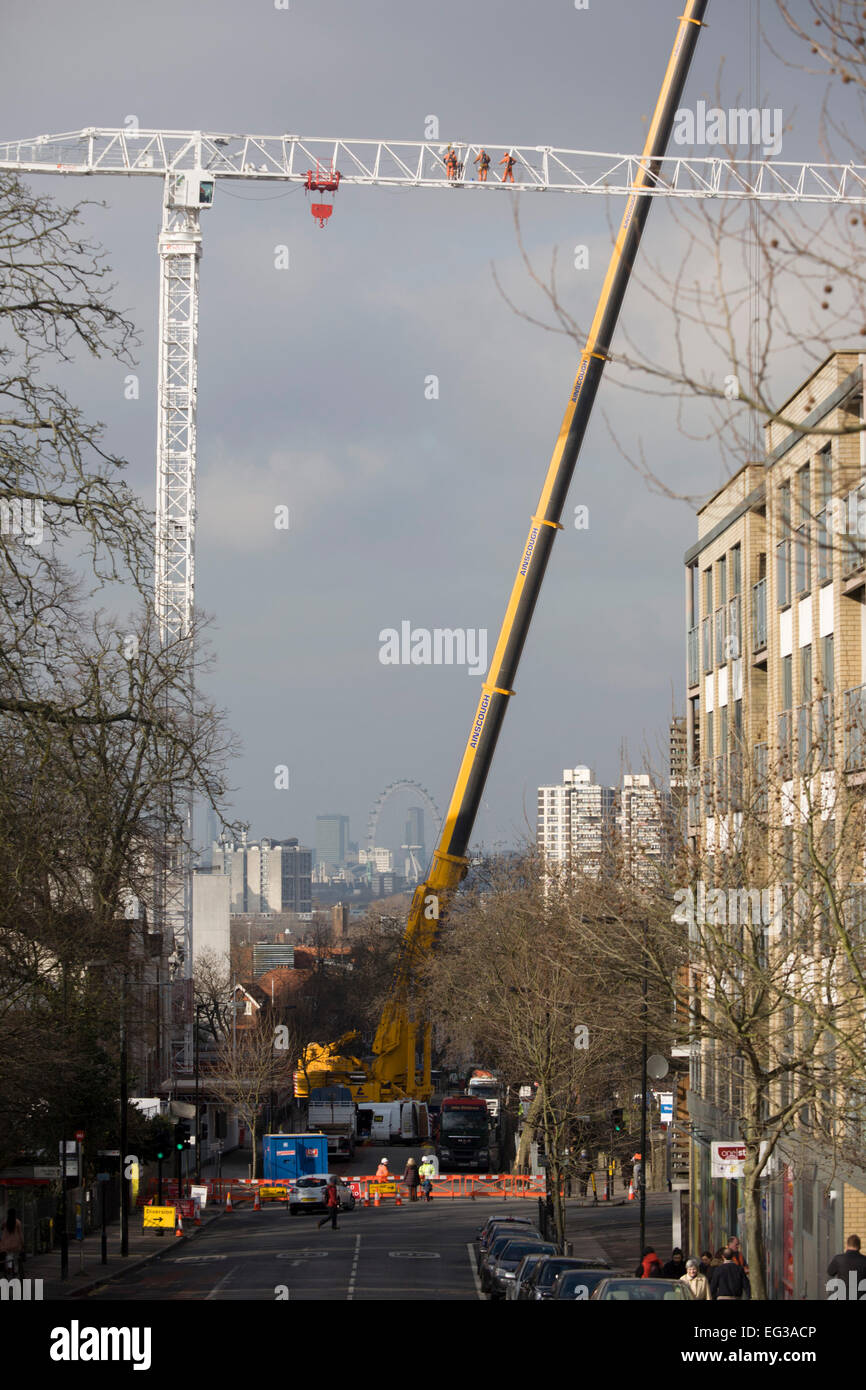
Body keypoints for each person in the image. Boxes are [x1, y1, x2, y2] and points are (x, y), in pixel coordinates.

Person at [0, 1209, 24, 1274]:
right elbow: (20, 1234)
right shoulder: (18, 1222)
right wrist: (22, 1243)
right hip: (16, 1243)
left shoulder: (5, 1222)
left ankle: (9, 1268)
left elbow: (1, 1228)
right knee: (16, 1258)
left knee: (9, 1256)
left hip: (7, 1244)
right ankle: (16, 1271)